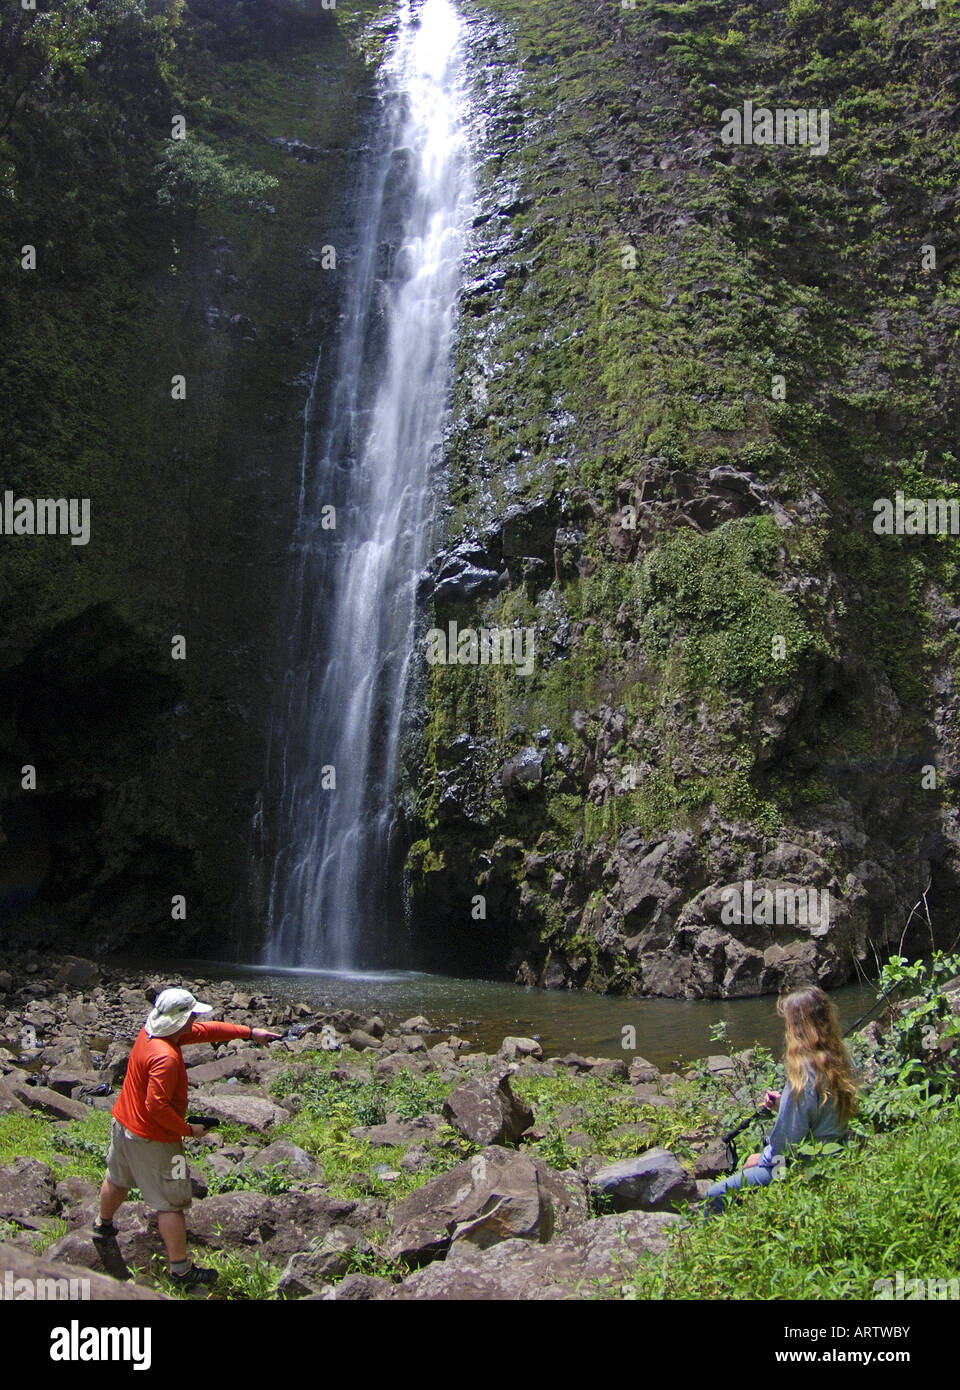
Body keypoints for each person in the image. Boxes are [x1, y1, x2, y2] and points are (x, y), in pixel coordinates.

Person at [92, 986, 281, 1287]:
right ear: (179, 1020)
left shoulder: (150, 1033)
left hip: (122, 1122)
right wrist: (188, 1130)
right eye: (191, 1016)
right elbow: (157, 1107)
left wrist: (249, 1032)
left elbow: (205, 1031)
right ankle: (180, 1271)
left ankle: (102, 1226)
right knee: (172, 1203)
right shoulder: (165, 1058)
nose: (195, 1021)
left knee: (116, 1177)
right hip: (155, 1138)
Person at [704, 985, 858, 1216]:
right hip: (836, 1155)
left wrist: (762, 1157)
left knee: (715, 1194)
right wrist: (783, 1104)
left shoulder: (803, 1075)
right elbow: (819, 1114)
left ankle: (711, 1245)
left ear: (797, 1027)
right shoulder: (841, 1059)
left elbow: (787, 1143)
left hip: (803, 1165)